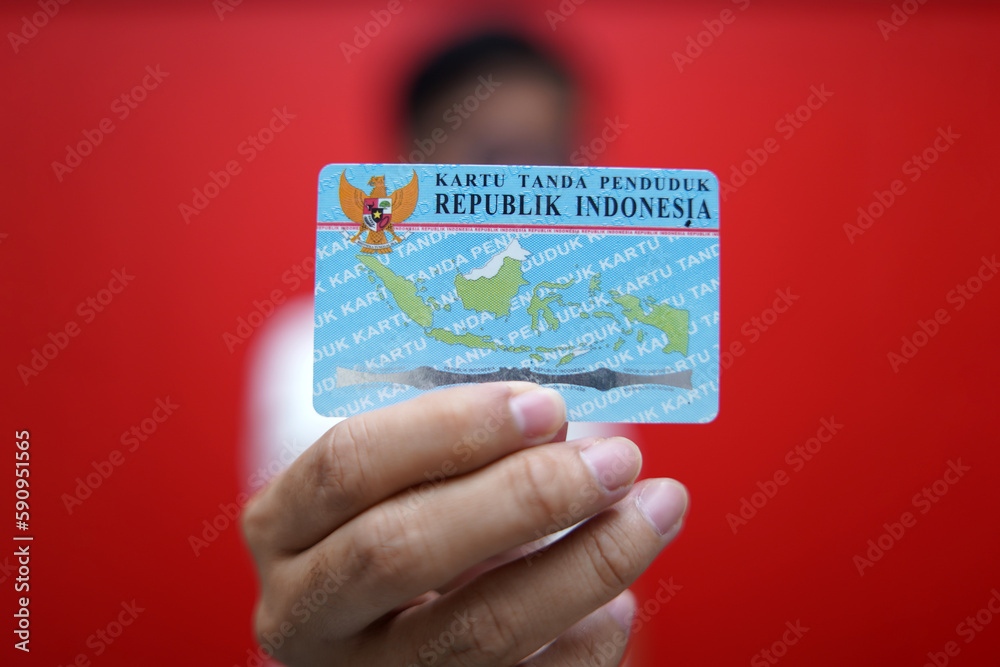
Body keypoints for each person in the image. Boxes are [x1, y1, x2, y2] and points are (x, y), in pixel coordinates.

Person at [240, 31, 690, 667]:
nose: (527, 189)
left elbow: (609, 604)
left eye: (553, 160)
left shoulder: (593, 348)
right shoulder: (304, 350)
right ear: (408, 162)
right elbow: (313, 567)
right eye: (495, 156)